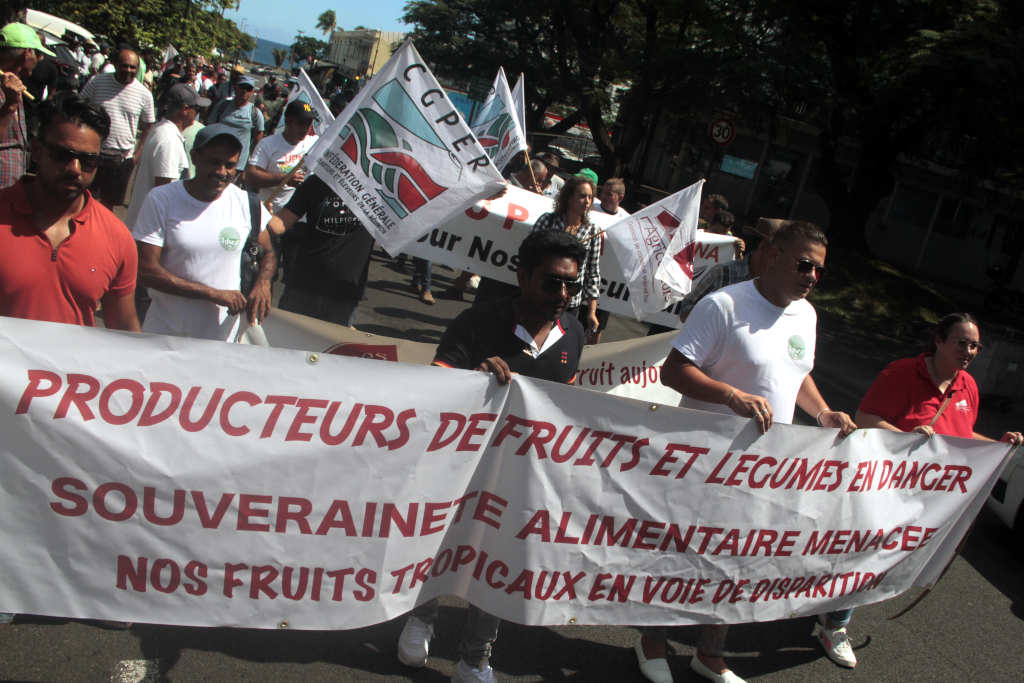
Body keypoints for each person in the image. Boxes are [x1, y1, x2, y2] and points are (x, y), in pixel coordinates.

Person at [654, 220, 856, 683]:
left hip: (763, 469)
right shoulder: (723, 306)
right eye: (804, 264)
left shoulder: (806, 314)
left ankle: (710, 654)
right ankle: (652, 642)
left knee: (735, 562)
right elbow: (674, 370)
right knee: (677, 557)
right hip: (702, 461)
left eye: (819, 271)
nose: (811, 277)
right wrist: (728, 395)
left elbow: (797, 372)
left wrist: (823, 413)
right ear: (774, 254)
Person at [396, 229, 588, 683]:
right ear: (522, 276)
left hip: (526, 470)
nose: (562, 294)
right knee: (443, 540)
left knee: (502, 558)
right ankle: (421, 616)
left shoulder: (574, 332)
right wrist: (474, 376)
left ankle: (475, 657)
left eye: (571, 286)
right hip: (463, 464)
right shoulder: (476, 321)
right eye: (551, 282)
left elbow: (569, 397)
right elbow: (436, 383)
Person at [0, 92, 140, 331]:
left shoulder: (117, 237)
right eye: (63, 155)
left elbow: (124, 326)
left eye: (88, 161)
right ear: (36, 150)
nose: (75, 169)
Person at [132, 123, 274, 341]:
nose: (222, 172)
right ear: (195, 157)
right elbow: (145, 270)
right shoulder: (162, 199)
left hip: (221, 341)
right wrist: (212, 294)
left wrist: (263, 283)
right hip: (166, 335)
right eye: (214, 162)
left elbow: (269, 253)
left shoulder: (247, 203)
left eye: (230, 165)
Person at [80, 47, 156, 208]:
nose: (128, 70)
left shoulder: (144, 94)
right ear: (115, 64)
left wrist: (136, 155)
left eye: (132, 67)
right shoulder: (97, 82)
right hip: (94, 153)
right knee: (84, 199)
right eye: (124, 65)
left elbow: (149, 125)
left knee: (109, 206)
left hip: (122, 159)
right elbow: (80, 106)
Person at [530, 174, 602, 341]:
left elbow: (593, 273)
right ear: (569, 197)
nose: (587, 201)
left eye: (590, 197)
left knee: (556, 347)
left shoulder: (593, 232)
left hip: (569, 304)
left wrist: (591, 312)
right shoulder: (547, 221)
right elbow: (530, 256)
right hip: (542, 295)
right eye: (582, 196)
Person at [124, 84, 207, 228]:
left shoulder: (161, 130)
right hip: (151, 228)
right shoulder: (168, 140)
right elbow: (164, 192)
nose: (197, 114)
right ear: (185, 110)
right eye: (196, 109)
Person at [244, 99, 318, 215]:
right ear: (288, 121)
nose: (305, 129)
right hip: (264, 210)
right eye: (301, 123)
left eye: (309, 124)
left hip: (290, 217)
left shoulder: (314, 143)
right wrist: (285, 179)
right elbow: (250, 176)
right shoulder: (268, 144)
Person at [1, 22, 51, 189]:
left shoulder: (15, 85)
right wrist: (9, 105)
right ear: (26, 53)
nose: (40, 59)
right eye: (37, 53)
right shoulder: (8, 91)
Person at [207, 74, 263, 170]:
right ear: (236, 88)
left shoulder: (255, 113)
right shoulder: (222, 105)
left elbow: (258, 137)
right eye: (242, 87)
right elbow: (209, 127)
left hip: (237, 165)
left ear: (252, 92)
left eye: (248, 88)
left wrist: (250, 162)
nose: (244, 91)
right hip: (216, 160)